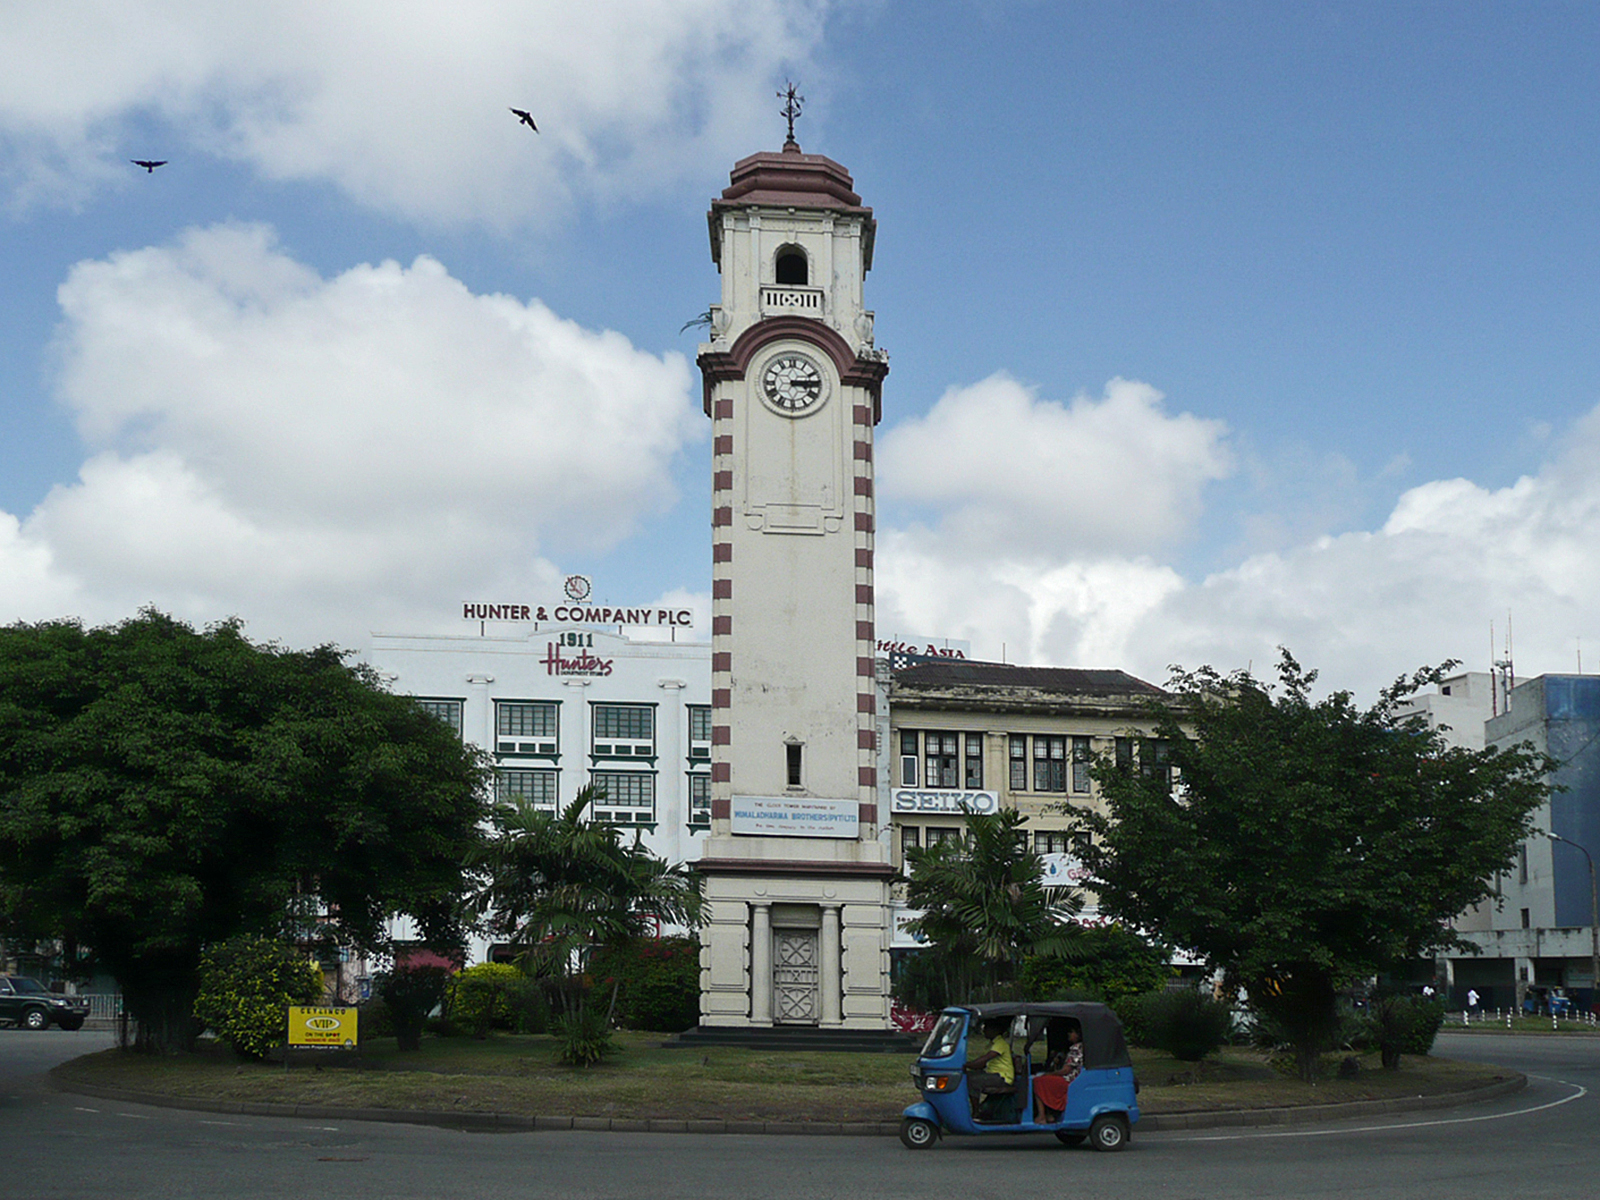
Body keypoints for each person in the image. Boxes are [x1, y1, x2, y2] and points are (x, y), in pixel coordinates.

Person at [1031, 1027, 1084, 1122]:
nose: (1069, 1034)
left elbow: (1066, 1070)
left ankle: (1041, 1115)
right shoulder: (1081, 1047)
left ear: (1077, 1035)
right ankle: (1049, 1114)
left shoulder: (1077, 1048)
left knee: (1037, 1081)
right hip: (1074, 1079)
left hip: (1069, 1080)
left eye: (1072, 1032)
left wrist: (1049, 1074)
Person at [964, 1018, 1015, 1116]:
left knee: (972, 1081)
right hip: (994, 1074)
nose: (984, 1031)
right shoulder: (995, 1044)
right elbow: (983, 1064)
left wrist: (967, 1064)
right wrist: (970, 1066)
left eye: (986, 1028)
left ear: (994, 1030)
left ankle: (976, 1112)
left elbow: (985, 1059)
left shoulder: (1000, 1044)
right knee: (967, 1075)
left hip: (1002, 1077)